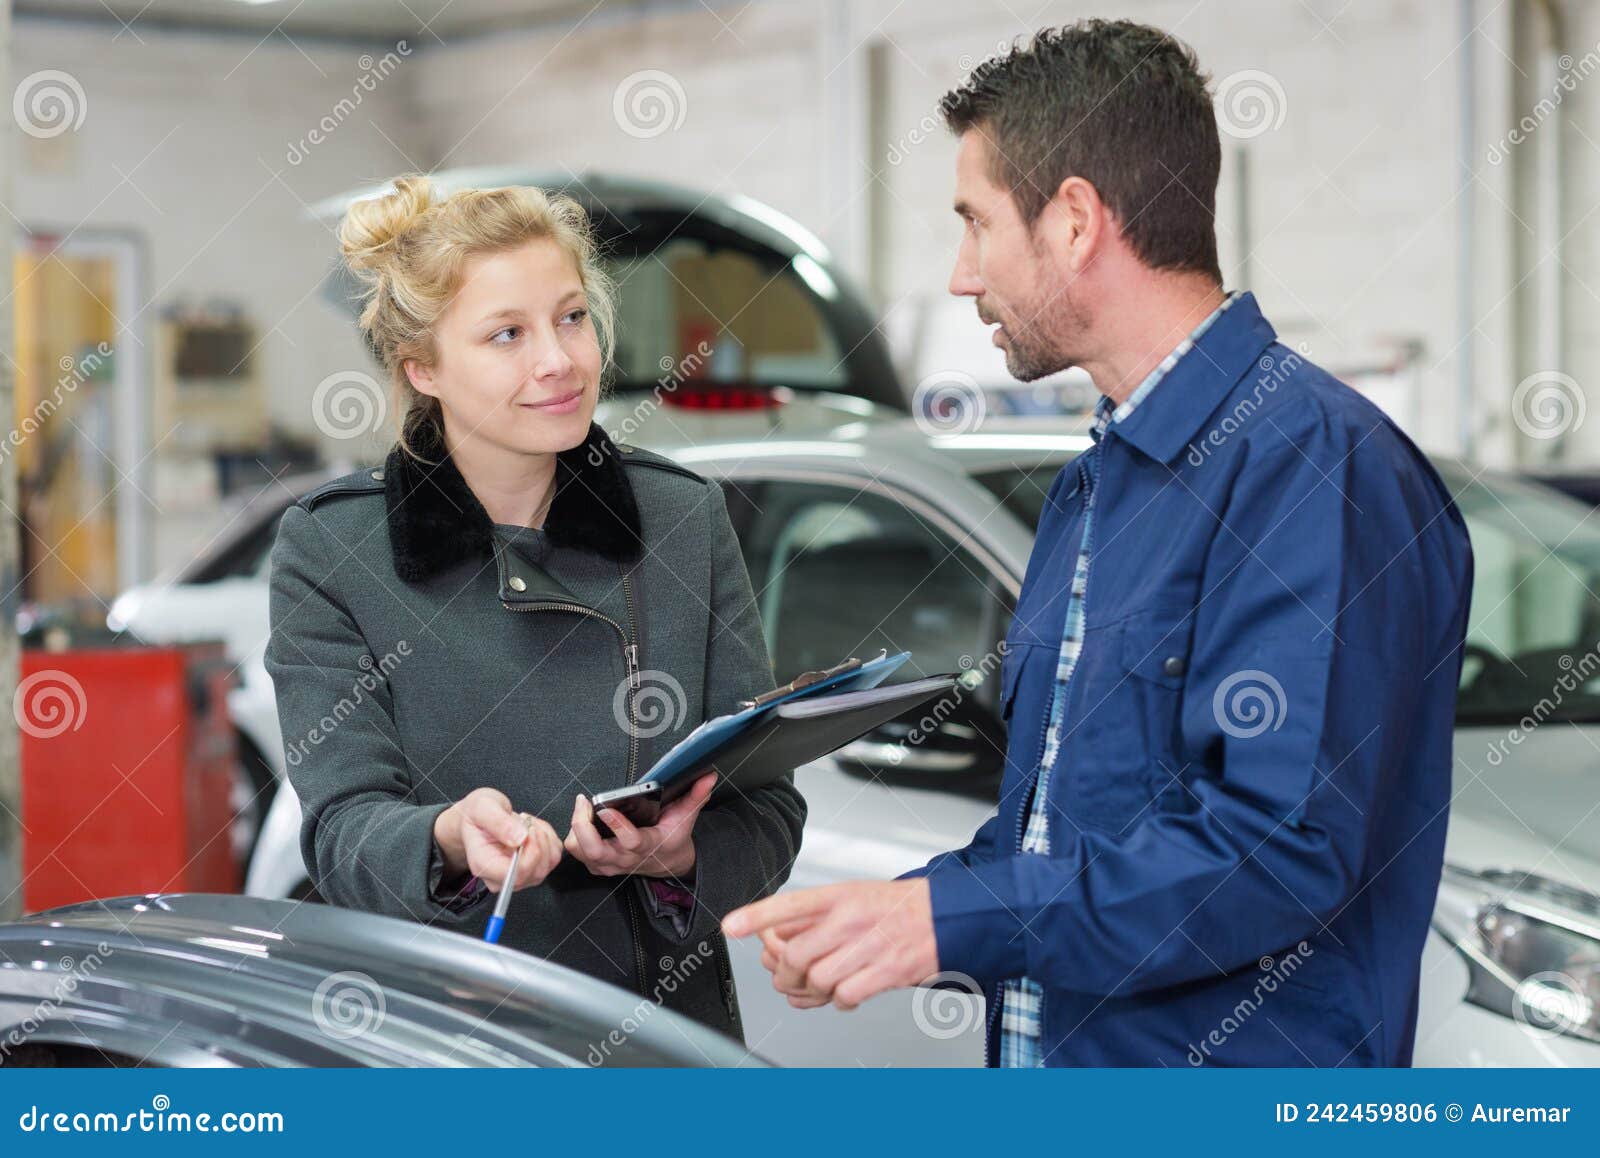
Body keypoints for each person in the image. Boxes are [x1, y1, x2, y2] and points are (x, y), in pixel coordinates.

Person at [725, 20, 1472, 1067]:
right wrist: (892, 919)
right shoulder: (1097, 485)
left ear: (1074, 220)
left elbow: (1275, 849)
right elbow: (1053, 844)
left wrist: (954, 922)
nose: (961, 275)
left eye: (976, 224)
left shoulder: (1308, 467)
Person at [264, 174, 804, 1041]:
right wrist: (446, 837)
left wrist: (680, 854)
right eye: (507, 334)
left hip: (663, 1035)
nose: (558, 360)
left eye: (571, 317)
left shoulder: (684, 519)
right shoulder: (334, 550)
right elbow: (340, 834)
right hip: (449, 1036)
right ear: (423, 367)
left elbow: (769, 807)